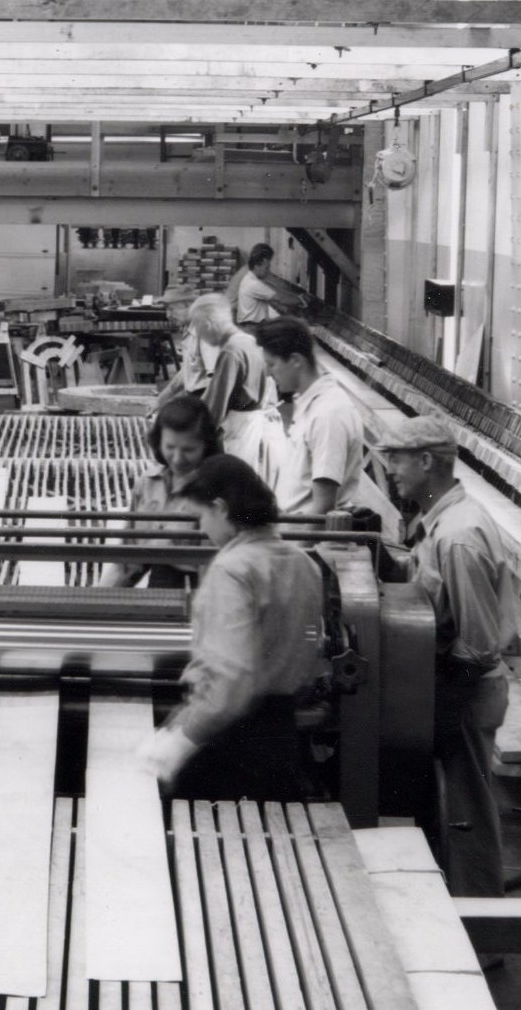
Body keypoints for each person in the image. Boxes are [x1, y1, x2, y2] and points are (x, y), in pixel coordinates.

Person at [379, 411, 512, 898]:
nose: (389, 468)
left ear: (427, 460)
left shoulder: (458, 536)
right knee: (449, 804)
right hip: (452, 682)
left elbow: (476, 645)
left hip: (466, 689)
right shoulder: (436, 524)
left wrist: (436, 702)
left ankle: (485, 932)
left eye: (395, 458)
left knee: (466, 810)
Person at [135, 454, 323, 799]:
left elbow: (232, 679)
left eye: (201, 517)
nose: (203, 530)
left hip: (227, 742)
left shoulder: (232, 570)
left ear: (221, 508)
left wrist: (180, 740)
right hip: (281, 734)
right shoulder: (304, 564)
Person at [254, 317, 381, 522]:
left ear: (296, 360)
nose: (269, 373)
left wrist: (292, 550)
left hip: (304, 540)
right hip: (291, 528)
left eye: (272, 364)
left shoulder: (328, 414)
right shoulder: (309, 403)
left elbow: (322, 508)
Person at [99, 394, 220, 590]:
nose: (178, 459)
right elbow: (127, 561)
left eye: (189, 449)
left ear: (206, 445)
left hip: (199, 591)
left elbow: (215, 570)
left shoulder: (215, 489)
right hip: (159, 589)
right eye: (170, 447)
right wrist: (95, 601)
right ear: (158, 442)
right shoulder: (147, 484)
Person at [187, 293, 280, 486]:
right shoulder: (249, 341)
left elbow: (214, 409)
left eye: (198, 327)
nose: (199, 335)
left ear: (208, 325)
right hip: (256, 424)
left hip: (240, 431)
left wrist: (188, 435)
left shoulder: (231, 351)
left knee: (233, 491)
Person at [233, 243, 306, 327]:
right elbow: (280, 298)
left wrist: (285, 310)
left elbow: (273, 300)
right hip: (251, 327)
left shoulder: (251, 278)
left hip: (250, 325)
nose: (268, 271)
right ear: (257, 265)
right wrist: (302, 300)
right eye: (266, 268)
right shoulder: (254, 284)